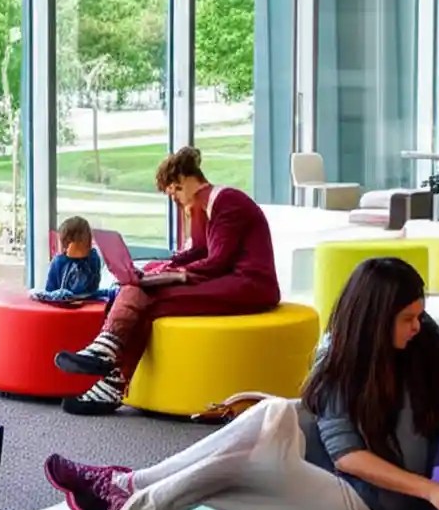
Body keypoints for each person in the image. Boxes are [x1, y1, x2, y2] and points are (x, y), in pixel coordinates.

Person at [44, 258, 439, 510]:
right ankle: (129, 489)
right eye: (407, 319)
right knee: (273, 412)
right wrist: (434, 489)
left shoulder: (427, 340)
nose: (418, 326)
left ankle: (129, 506)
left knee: (247, 462)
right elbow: (349, 455)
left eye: (419, 314)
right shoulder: (342, 355)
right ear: (373, 321)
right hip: (346, 476)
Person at [53, 146, 280, 415]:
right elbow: (198, 251)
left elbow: (218, 260)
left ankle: (109, 369)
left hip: (250, 284)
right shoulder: (205, 206)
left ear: (185, 181)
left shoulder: (226, 202)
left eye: (175, 192)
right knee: (141, 285)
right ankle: (106, 357)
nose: (176, 200)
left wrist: (173, 276)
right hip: (229, 278)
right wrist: (164, 266)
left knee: (154, 298)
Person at [32, 216, 107, 304]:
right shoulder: (58, 261)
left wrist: (80, 261)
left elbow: (91, 286)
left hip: (88, 303)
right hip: (62, 304)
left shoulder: (93, 258)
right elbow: (50, 290)